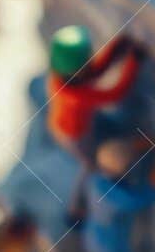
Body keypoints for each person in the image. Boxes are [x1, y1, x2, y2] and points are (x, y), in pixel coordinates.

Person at [45, 26, 142, 163]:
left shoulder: (61, 75)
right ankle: (92, 168)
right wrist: (134, 62)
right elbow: (115, 94)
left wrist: (114, 49)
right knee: (89, 156)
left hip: (66, 125)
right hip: (73, 136)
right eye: (86, 62)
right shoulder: (75, 96)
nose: (90, 62)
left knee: (92, 137)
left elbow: (95, 71)